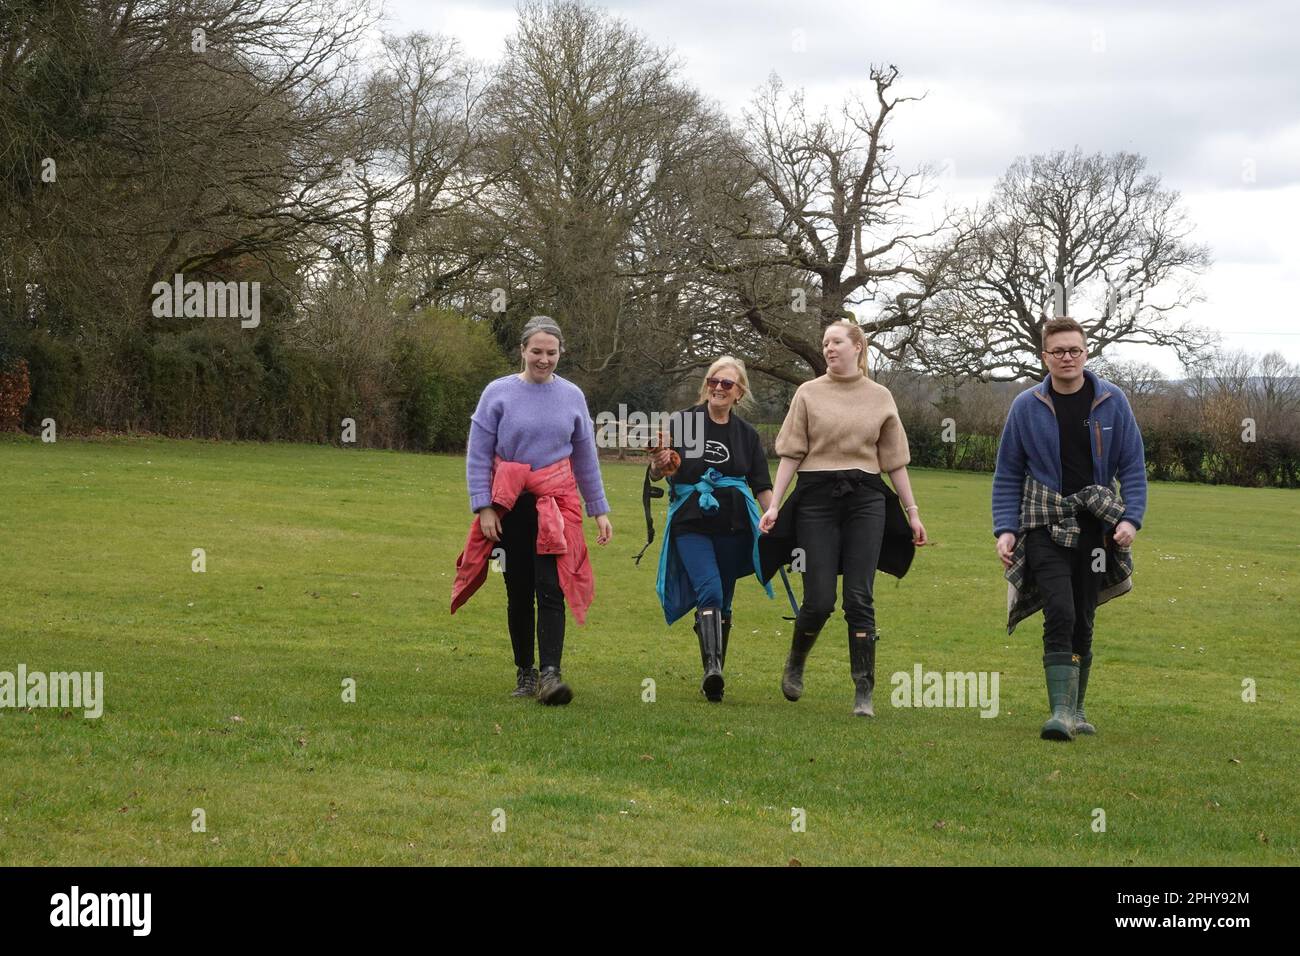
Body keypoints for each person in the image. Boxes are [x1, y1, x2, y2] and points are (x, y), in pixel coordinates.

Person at [757, 320, 927, 716]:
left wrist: (913, 513)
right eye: (825, 343)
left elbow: (895, 462)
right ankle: (796, 661)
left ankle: (863, 691)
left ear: (857, 347)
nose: (829, 348)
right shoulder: (807, 393)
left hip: (866, 500)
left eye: (836, 342)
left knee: (859, 597)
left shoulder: (880, 396)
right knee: (818, 600)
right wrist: (775, 504)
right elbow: (791, 453)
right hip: (815, 499)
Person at [992, 317, 1147, 741]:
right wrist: (1005, 529)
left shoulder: (1113, 401)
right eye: (1057, 351)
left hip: (1096, 529)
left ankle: (1078, 708)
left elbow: (1133, 466)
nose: (1067, 358)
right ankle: (1059, 712)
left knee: (1083, 614)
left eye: (1074, 350)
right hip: (1044, 521)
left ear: (1086, 353)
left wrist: (1130, 519)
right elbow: (1008, 473)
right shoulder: (1026, 405)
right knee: (1059, 609)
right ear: (1044, 356)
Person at [451, 315, 613, 705]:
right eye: (536, 351)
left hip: (555, 506)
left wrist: (599, 510)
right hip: (509, 507)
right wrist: (484, 508)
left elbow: (585, 457)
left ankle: (551, 674)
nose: (544, 359)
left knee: (551, 587)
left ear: (561, 353)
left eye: (551, 352)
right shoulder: (497, 393)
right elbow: (479, 454)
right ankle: (525, 672)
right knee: (518, 590)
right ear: (523, 350)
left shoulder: (573, 396)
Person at [649, 357, 775, 702]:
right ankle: (712, 670)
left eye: (727, 384)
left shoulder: (747, 434)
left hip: (734, 526)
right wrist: (658, 465)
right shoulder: (684, 422)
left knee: (726, 601)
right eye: (713, 381)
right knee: (711, 591)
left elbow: (761, 484)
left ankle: (714, 672)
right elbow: (662, 471)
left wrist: (773, 518)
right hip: (691, 523)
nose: (718, 388)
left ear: (739, 393)